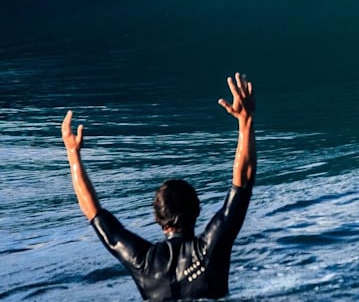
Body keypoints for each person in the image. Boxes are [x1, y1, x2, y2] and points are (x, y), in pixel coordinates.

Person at [62, 73, 256, 301]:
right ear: (197, 211)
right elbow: (242, 183)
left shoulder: (142, 262)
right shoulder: (210, 249)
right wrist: (245, 122)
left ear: (157, 218)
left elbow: (94, 213)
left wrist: (73, 154)